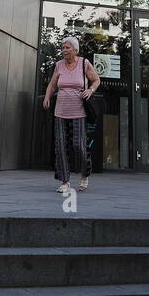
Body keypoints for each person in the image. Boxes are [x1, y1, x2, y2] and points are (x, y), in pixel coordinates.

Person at [42, 35, 100, 193]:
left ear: (76, 50)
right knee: (60, 147)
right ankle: (65, 181)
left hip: (79, 111)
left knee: (79, 146)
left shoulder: (84, 63)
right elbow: (52, 85)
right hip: (60, 111)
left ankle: (84, 174)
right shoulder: (59, 65)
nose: (64, 50)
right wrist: (47, 97)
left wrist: (90, 89)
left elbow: (96, 80)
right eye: (63, 47)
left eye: (67, 48)